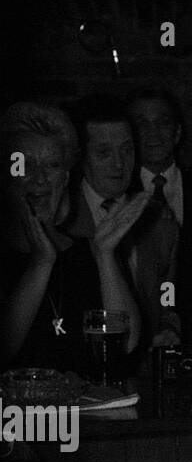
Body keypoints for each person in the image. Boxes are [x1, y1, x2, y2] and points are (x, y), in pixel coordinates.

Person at [0, 101, 144, 374]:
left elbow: (126, 344)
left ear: (65, 178)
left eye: (52, 165)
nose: (40, 178)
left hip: (82, 414)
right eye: (24, 165)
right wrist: (41, 264)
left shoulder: (86, 253)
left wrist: (104, 255)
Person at [67, 93, 180, 350]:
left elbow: (167, 295)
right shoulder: (64, 222)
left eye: (127, 150)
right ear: (81, 156)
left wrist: (168, 326)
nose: (119, 164)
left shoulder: (159, 223)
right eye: (104, 152)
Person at [128, 87, 192, 341]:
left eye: (162, 123)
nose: (153, 132)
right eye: (142, 124)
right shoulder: (121, 192)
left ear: (177, 133)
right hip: (139, 329)